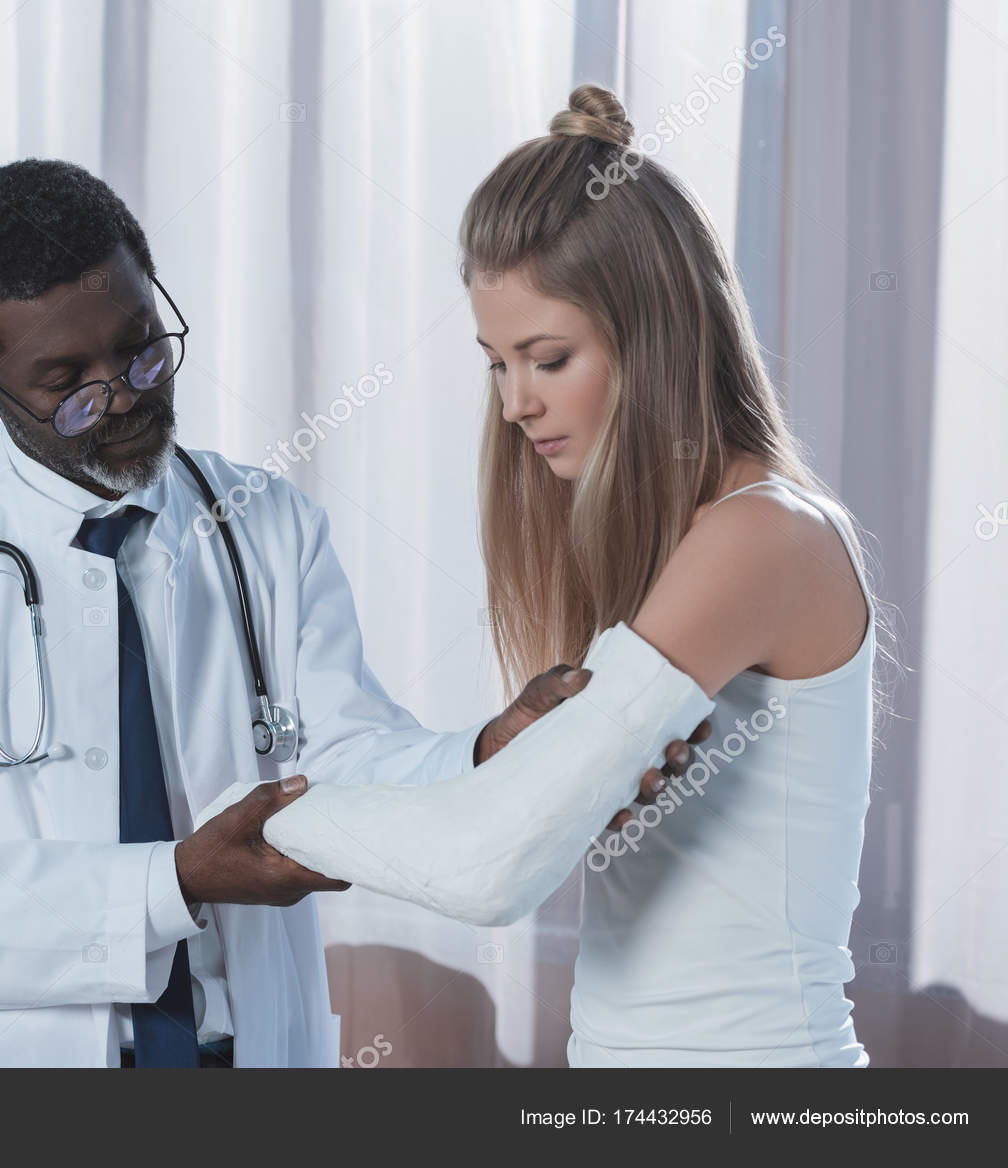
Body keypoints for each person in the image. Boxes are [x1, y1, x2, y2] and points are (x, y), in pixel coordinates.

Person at [0, 158, 704, 1068]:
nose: (124, 396)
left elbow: (342, 756)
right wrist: (169, 882)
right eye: (67, 382)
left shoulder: (266, 524)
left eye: (141, 347)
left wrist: (479, 754)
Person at [237, 86, 882, 1067]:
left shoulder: (761, 539)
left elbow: (484, 864)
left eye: (547, 359)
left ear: (653, 334)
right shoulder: (677, 546)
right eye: (496, 364)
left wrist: (265, 818)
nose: (515, 404)